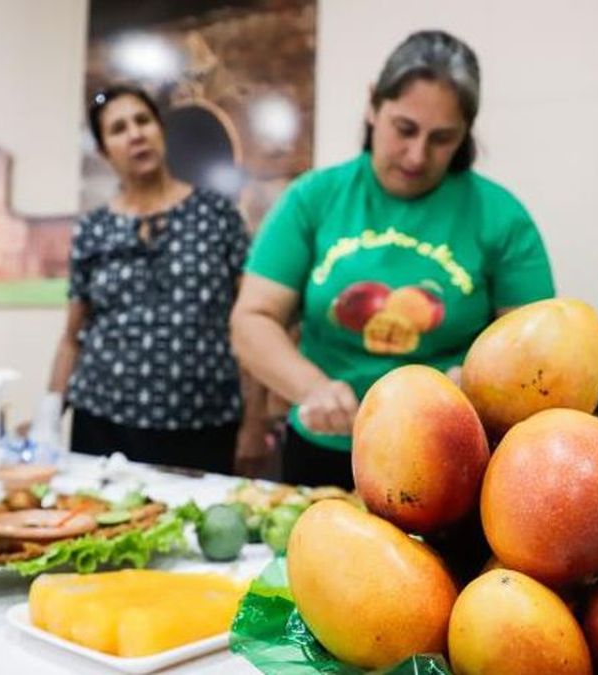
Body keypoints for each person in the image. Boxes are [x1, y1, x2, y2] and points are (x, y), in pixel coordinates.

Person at [231, 30, 555, 490]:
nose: (417, 155)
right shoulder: (312, 199)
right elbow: (252, 319)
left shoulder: (501, 217)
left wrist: (480, 383)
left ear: (465, 133)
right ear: (372, 105)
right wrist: (312, 389)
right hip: (326, 449)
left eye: (442, 138)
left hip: (448, 456)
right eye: (404, 129)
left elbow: (537, 349)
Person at [29, 84, 250, 472]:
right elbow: (71, 338)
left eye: (142, 120)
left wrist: (257, 419)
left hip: (205, 425)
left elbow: (252, 321)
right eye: (118, 129)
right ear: (104, 151)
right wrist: (48, 415)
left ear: (160, 129)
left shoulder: (218, 215)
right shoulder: (94, 229)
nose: (135, 134)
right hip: (103, 424)